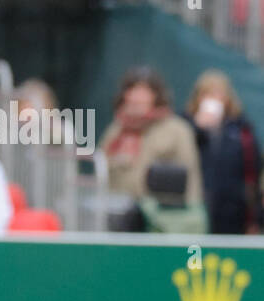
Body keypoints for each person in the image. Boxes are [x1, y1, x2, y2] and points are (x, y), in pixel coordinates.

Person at [102, 67, 203, 228]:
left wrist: (189, 221)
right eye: (132, 90)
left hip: (161, 221)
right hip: (118, 220)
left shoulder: (177, 130)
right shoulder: (116, 131)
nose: (136, 97)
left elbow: (191, 182)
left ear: (156, 96)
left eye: (143, 91)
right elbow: (102, 170)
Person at [184, 70, 262, 235]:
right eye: (207, 94)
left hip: (232, 215)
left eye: (218, 94)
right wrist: (198, 128)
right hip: (192, 211)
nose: (213, 99)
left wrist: (254, 218)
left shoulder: (242, 131)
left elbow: (252, 177)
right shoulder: (184, 127)